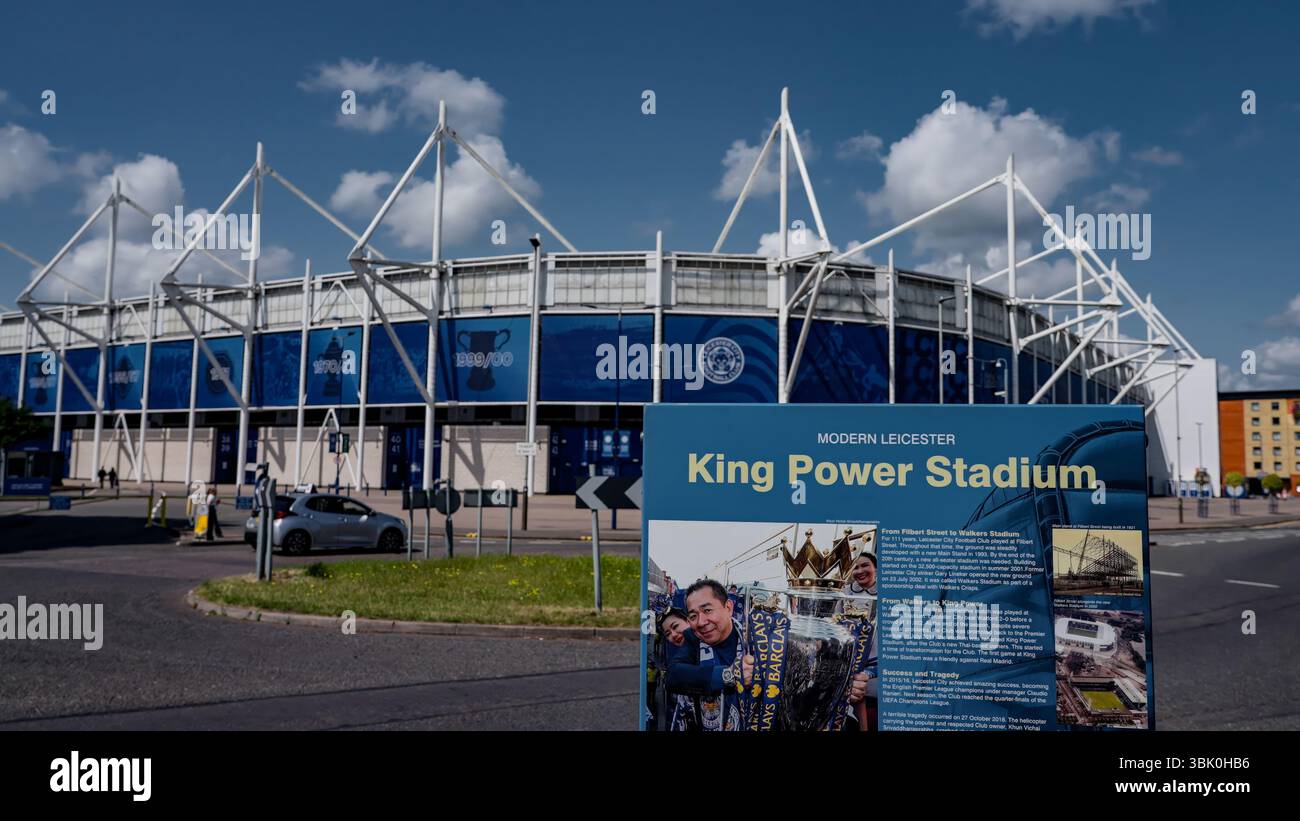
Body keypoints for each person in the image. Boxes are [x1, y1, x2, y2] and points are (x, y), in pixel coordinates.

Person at [664, 580, 742, 731]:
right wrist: (729, 674)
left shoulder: (755, 641)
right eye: (693, 616)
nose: (701, 622)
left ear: (728, 608)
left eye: (707, 610)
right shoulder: (693, 639)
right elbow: (673, 676)